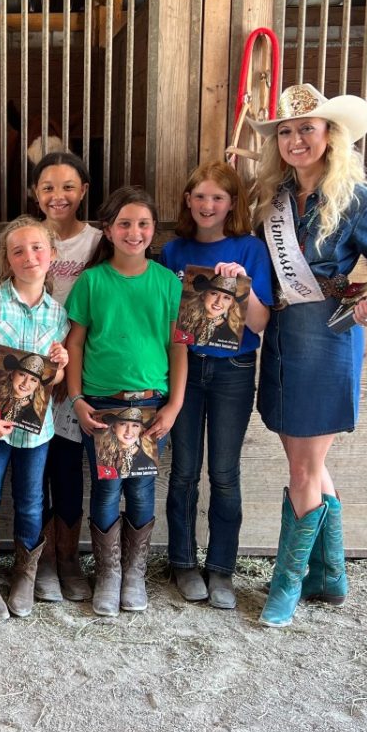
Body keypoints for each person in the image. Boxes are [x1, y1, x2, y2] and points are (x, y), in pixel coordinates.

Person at [248, 83, 367, 628]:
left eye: (306, 129)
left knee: (303, 464)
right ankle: (330, 577)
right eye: (286, 132)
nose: (295, 139)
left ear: (329, 135)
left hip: (330, 335)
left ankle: (286, 586)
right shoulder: (273, 199)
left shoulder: (357, 198)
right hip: (284, 333)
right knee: (310, 461)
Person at [64, 186, 186, 616]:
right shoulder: (92, 281)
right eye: (125, 224)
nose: (134, 232)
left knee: (141, 487)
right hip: (102, 404)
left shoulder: (168, 282)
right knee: (106, 486)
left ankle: (133, 573)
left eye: (143, 224)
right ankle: (108, 573)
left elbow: (178, 346)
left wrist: (173, 405)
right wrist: (76, 398)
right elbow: (74, 345)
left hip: (151, 404)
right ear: (109, 230)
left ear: (154, 231)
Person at [161, 161, 272, 609]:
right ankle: (183, 562)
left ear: (232, 204)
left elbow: (261, 324)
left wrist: (240, 286)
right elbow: (167, 320)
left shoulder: (250, 249)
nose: (208, 205)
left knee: (224, 473)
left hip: (234, 370)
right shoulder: (173, 251)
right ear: (188, 200)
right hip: (187, 367)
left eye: (218, 198)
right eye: (200, 196)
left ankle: (222, 569)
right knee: (184, 471)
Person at [0, 216, 68, 620]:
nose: (29, 256)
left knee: (31, 502)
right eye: (18, 250)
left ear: (52, 255)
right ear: (6, 258)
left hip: (35, 428)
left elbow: (53, 378)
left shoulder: (57, 313)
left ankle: (25, 575)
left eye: (37, 248)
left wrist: (61, 364)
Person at [30, 151, 101, 603]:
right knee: (33, 469)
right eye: (48, 187)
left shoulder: (99, 241)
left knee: (68, 467)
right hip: (28, 375)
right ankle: (37, 561)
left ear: (84, 192)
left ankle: (68, 557)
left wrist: (67, 382)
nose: (58, 196)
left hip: (79, 370)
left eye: (68, 186)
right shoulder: (27, 238)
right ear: (35, 195)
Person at [0, 352, 54, 433]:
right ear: (12, 375)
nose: (25, 383)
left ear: (37, 386)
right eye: (22, 374)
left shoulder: (33, 420)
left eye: (33, 380)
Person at [94, 407, 157, 479]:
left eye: (135, 425)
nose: (129, 431)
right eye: (123, 424)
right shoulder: (106, 455)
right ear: (114, 428)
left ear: (141, 430)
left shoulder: (148, 463)